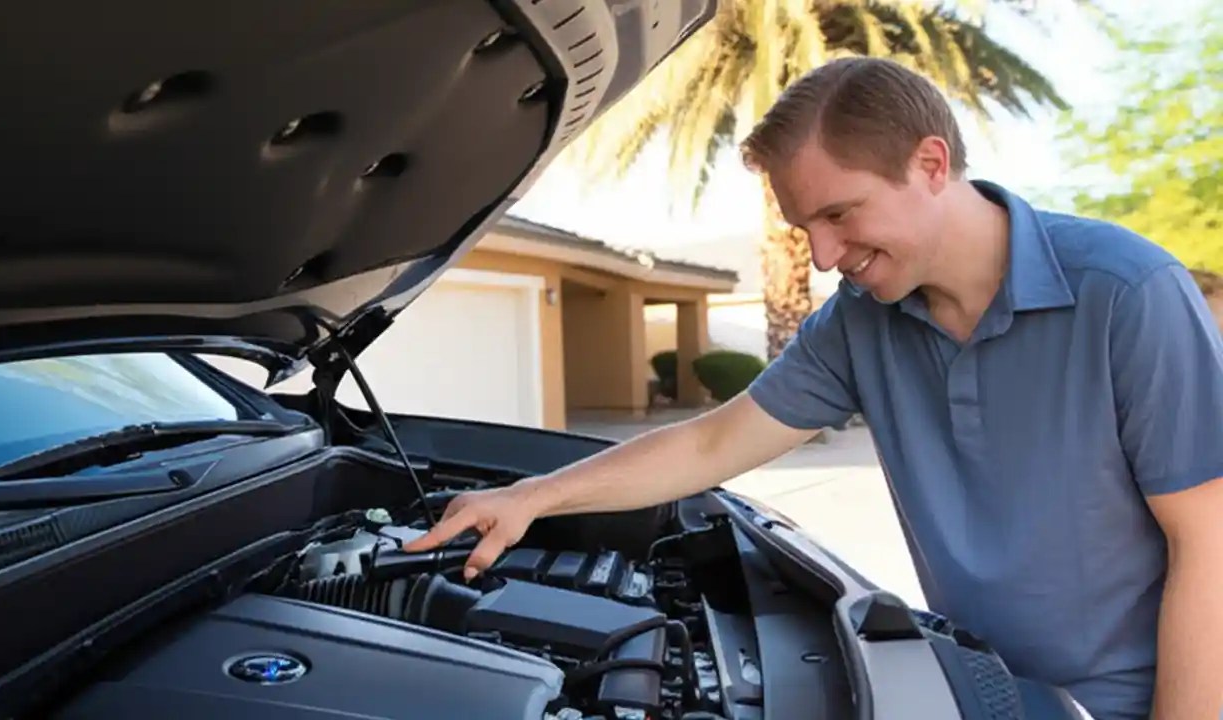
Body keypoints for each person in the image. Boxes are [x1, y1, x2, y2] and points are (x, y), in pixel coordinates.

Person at [405, 57, 1223, 720]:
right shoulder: (864, 319)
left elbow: (1210, 545)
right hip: (982, 692)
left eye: (841, 214)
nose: (825, 256)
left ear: (930, 164)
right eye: (805, 229)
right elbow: (714, 442)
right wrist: (534, 498)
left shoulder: (1126, 292)